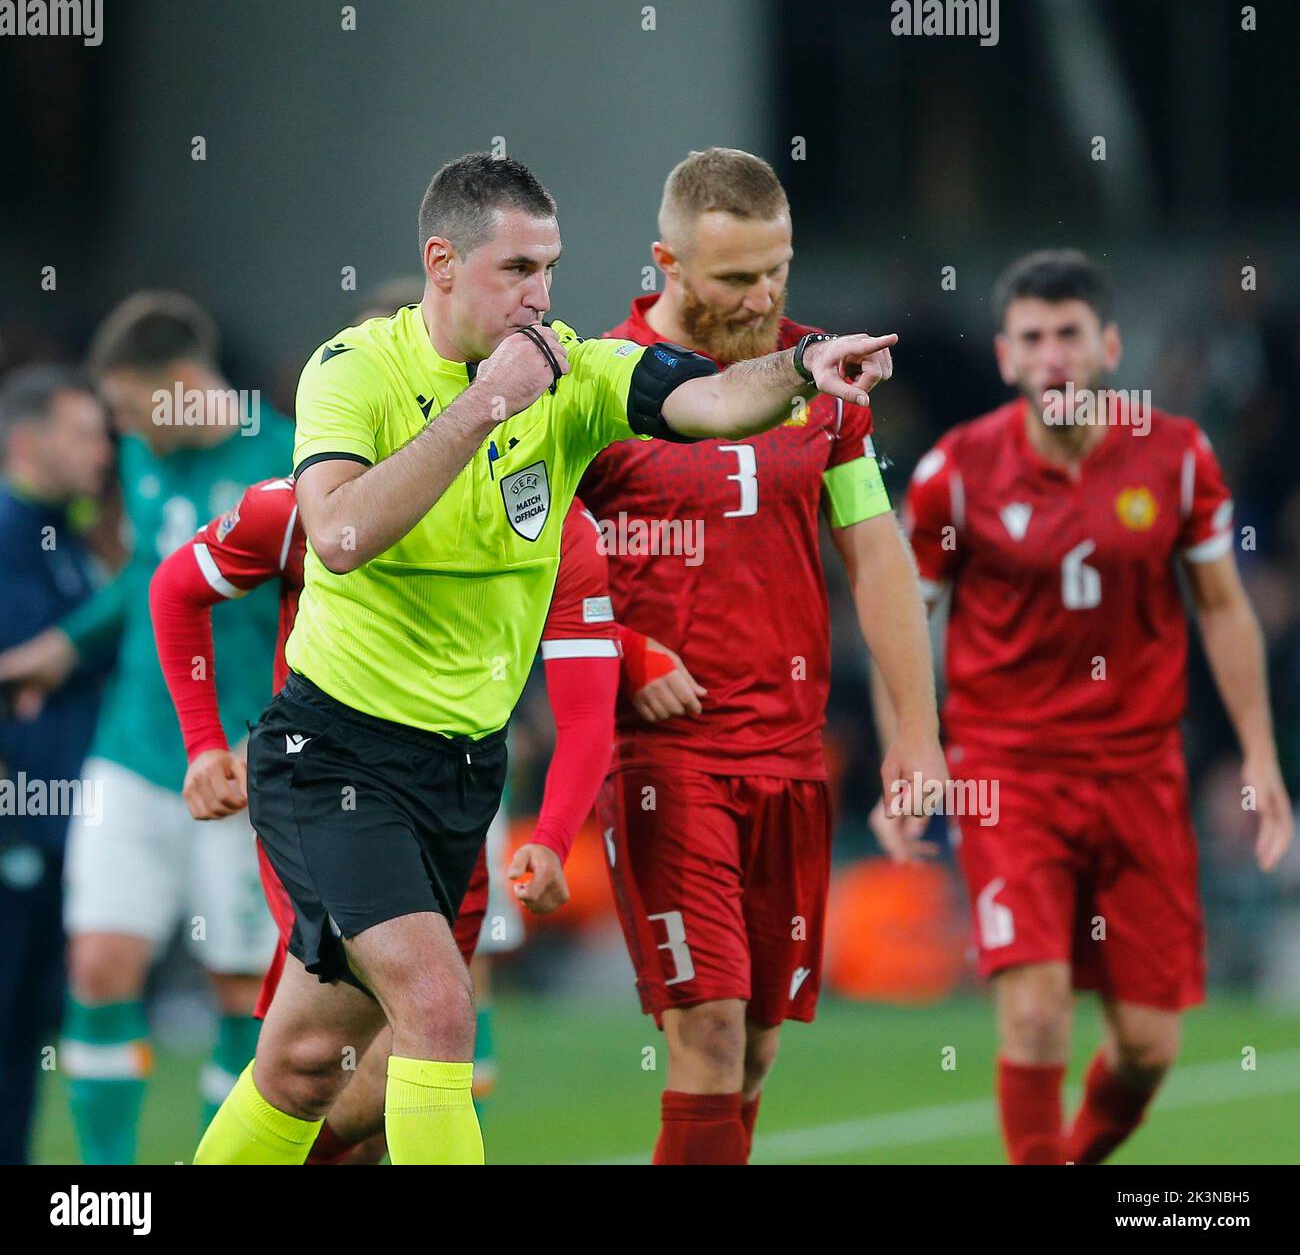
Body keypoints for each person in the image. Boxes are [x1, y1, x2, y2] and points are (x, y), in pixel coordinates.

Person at [193, 150, 899, 1165]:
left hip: (461, 771)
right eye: (517, 271)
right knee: (439, 1010)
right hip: (334, 760)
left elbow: (704, 400)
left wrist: (796, 372)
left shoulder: (571, 372)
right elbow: (340, 536)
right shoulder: (354, 371)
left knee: (307, 1064)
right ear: (442, 263)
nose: (542, 296)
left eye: (552, 269)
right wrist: (486, 405)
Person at [874, 249, 1295, 1164]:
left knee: (1147, 1048)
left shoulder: (1177, 459)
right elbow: (902, 615)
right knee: (1032, 1014)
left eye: (1070, 334)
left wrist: (1260, 756)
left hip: (1140, 776)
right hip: (1008, 773)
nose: (1053, 354)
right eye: (1033, 337)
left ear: (1107, 344)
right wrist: (909, 751)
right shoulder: (958, 470)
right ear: (1005, 356)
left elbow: (1223, 608)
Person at [151, 467, 693, 1160]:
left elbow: (586, 711)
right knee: (433, 1011)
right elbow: (176, 589)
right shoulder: (302, 507)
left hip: (455, 806)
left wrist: (554, 836)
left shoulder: (555, 524)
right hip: (331, 791)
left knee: (329, 1065)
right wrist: (201, 746)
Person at [577, 147, 945, 1164]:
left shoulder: (824, 380)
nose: (763, 294)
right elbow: (519, 582)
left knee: (753, 1052)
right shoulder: (596, 388)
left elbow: (876, 558)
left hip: (789, 757)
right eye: (736, 276)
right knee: (707, 1028)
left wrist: (916, 736)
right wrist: (619, 649)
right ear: (667, 263)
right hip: (662, 761)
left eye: (776, 268)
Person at [0, 293, 293, 1162]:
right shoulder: (139, 456)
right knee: (97, 966)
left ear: (176, 385)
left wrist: (279, 730)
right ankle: (107, 1189)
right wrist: (64, 643)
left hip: (240, 763)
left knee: (241, 988)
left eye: (126, 409)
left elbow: (326, 612)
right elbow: (148, 579)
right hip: (133, 751)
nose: (117, 433)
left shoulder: (288, 453)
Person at [0, 365, 115, 1164]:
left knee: (27, 1023)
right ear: (26, 440)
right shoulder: (8, 533)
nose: (104, 450)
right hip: (16, 823)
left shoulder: (63, 536)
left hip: (55, 826)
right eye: (85, 433)